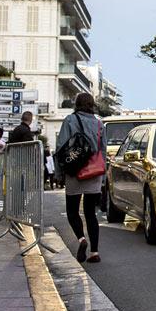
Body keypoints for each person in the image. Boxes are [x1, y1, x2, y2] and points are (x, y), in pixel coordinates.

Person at [56, 92, 106, 263]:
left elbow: (61, 147)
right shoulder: (100, 124)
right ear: (92, 104)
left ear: (76, 104)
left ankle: (81, 239)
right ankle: (95, 252)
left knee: (72, 211)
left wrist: (59, 173)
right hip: (94, 172)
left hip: (74, 171)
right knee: (91, 213)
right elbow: (103, 151)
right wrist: (103, 176)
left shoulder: (70, 120)